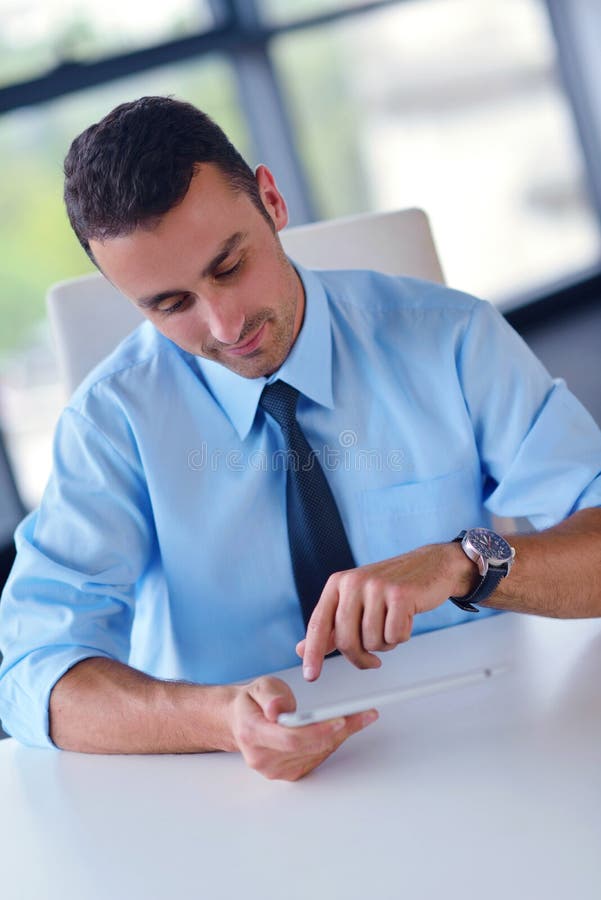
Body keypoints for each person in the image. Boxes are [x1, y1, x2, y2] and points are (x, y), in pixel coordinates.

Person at [0, 97, 600, 780]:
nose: (225, 326)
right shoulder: (111, 422)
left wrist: (461, 563)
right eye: (171, 305)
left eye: (228, 266)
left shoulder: (451, 337)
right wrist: (215, 720)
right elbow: (32, 674)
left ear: (272, 201)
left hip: (479, 732)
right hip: (236, 779)